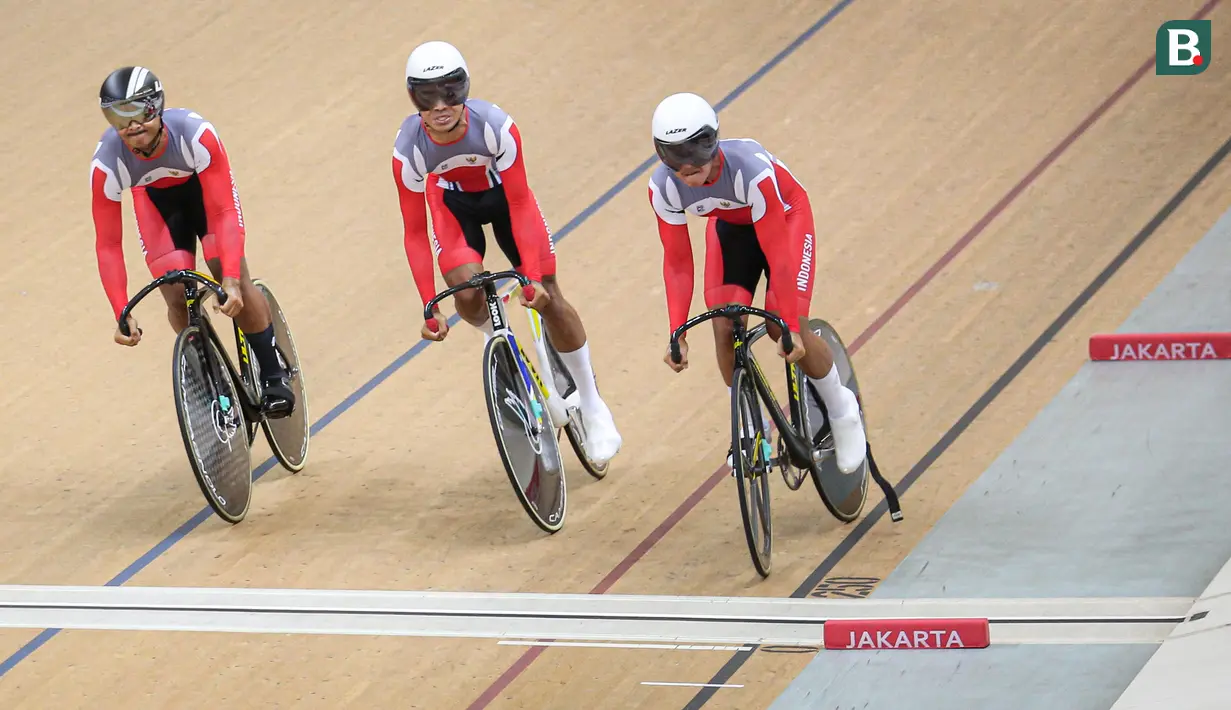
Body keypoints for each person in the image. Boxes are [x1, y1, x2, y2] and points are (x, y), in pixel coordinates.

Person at [391, 40, 622, 465]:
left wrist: (531, 276)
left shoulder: (496, 126)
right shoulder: (407, 148)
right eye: (427, 96)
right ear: (413, 99)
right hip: (452, 207)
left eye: (450, 92)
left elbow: (518, 204)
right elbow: (415, 232)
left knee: (548, 292)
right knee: (465, 292)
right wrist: (429, 305)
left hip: (505, 202)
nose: (441, 105)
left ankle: (592, 403)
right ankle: (496, 339)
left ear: (465, 90)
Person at [646, 92, 866, 473]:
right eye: (673, 158)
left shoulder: (751, 171)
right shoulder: (664, 187)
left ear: (711, 144)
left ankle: (840, 406)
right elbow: (678, 261)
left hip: (785, 220)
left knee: (779, 322)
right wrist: (676, 331)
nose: (686, 169)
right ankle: (750, 427)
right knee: (723, 322)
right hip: (731, 227)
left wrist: (793, 325)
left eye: (693, 156)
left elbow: (778, 253)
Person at [91, 66, 294, 417]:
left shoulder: (195, 134)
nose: (131, 125)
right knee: (174, 291)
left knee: (230, 276)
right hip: (156, 205)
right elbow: (108, 244)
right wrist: (121, 310)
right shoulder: (106, 163)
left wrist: (229, 278)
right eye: (118, 116)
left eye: (139, 111)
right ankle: (209, 382)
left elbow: (224, 211)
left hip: (205, 200)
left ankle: (274, 374)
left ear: (157, 106)